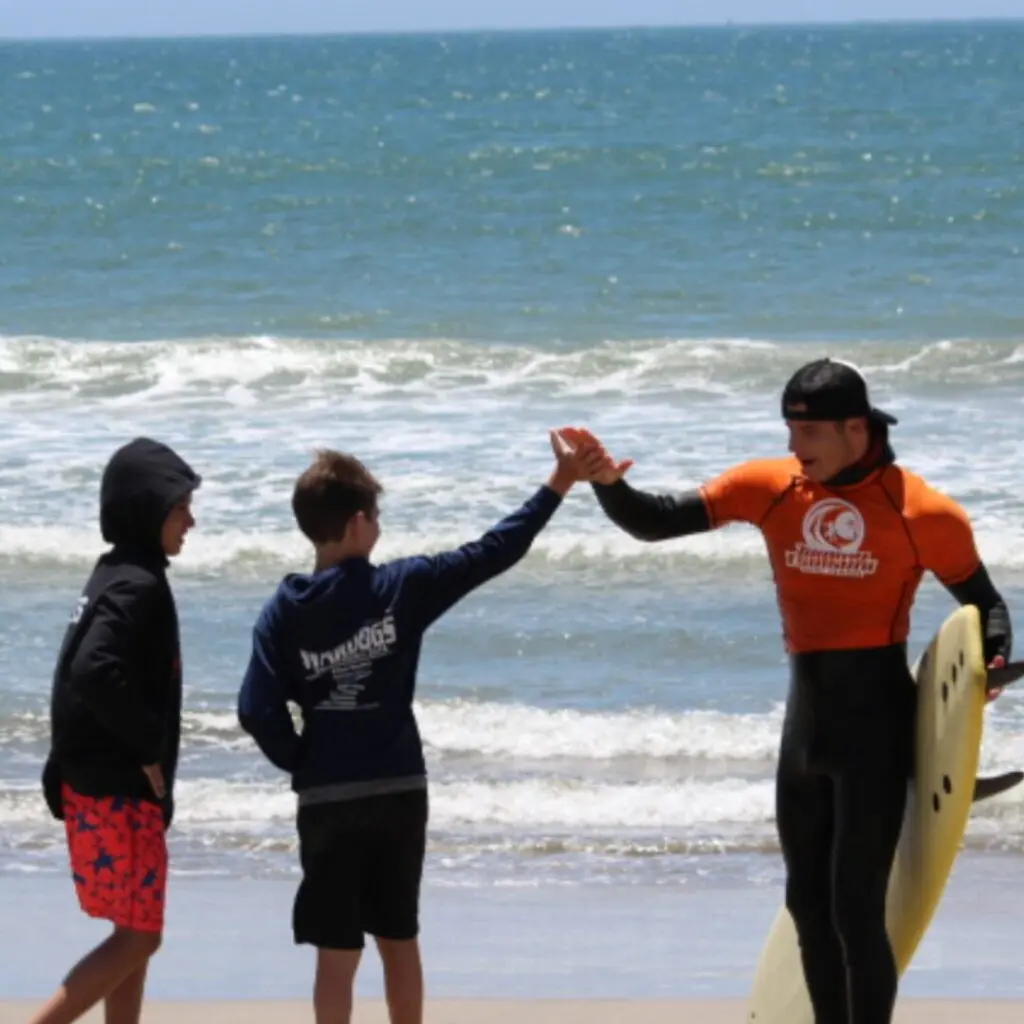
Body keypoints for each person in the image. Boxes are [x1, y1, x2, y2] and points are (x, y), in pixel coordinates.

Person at [560, 357, 1013, 1024]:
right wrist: (602, 480)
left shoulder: (921, 511)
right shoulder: (771, 486)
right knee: (808, 906)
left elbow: (987, 607)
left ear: (856, 429)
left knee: (857, 912)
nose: (794, 451)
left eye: (809, 436)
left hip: (876, 729)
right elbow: (653, 521)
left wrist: (991, 666)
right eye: (789, 434)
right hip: (805, 729)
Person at [236, 429, 593, 1024]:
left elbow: (256, 709)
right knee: (398, 938)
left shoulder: (283, 611)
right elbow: (494, 550)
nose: (379, 528)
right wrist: (558, 483)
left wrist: (305, 759)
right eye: (375, 517)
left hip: (329, 799)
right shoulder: (401, 587)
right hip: (398, 789)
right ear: (355, 523)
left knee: (336, 951)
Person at [34, 437, 201, 1024]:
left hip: (96, 786)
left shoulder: (113, 575)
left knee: (133, 932)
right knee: (140, 938)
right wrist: (150, 747)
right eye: (181, 508)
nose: (192, 521)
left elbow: (73, 674)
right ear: (149, 507)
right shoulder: (138, 585)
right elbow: (91, 670)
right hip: (116, 790)